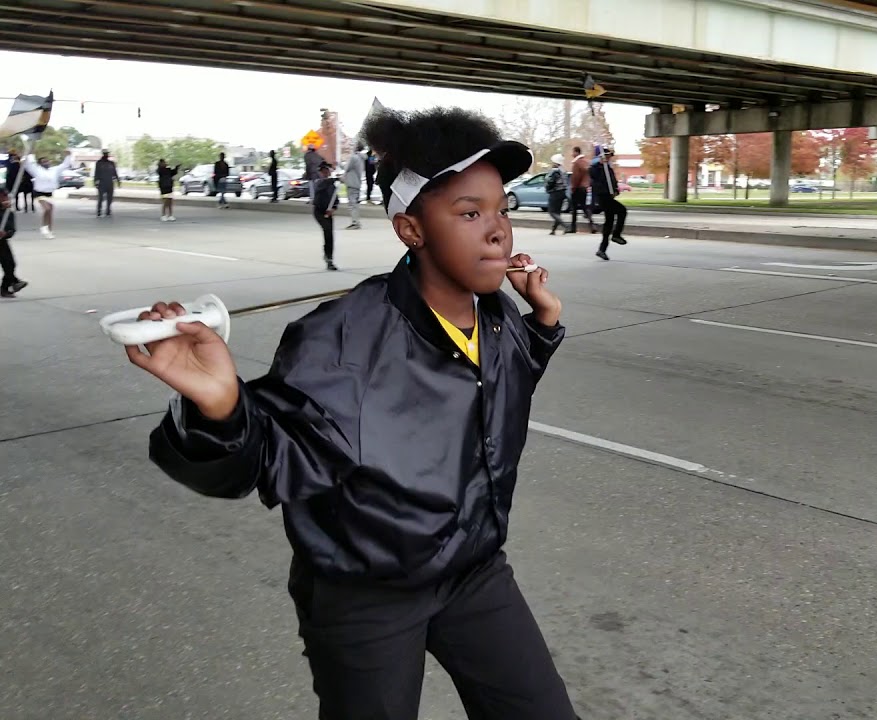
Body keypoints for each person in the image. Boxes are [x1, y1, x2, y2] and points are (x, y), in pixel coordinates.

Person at [127, 105, 576, 720]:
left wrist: (542, 324)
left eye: (501, 210)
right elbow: (263, 462)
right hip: (367, 592)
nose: (498, 231)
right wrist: (221, 407)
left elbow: (491, 394)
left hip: (473, 569)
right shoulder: (340, 342)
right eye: (470, 214)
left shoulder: (496, 316)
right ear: (411, 230)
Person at [22, 149, 73, 238]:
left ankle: (49, 230)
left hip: (49, 193)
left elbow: (65, 165)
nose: (46, 162)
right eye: (44, 162)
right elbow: (29, 164)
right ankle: (43, 227)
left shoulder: (54, 170)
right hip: (39, 192)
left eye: (47, 161)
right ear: (40, 163)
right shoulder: (37, 170)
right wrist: (29, 154)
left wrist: (68, 156)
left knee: (50, 211)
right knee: (47, 209)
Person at [590, 146, 627, 260]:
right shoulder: (595, 168)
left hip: (609, 196)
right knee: (622, 211)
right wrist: (601, 165)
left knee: (609, 222)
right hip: (602, 197)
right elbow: (597, 181)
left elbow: (612, 181)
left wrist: (615, 190)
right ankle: (616, 235)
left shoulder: (608, 168)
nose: (609, 158)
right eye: (607, 156)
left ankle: (602, 250)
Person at [310, 161, 340, 271]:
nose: (325, 173)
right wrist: (336, 179)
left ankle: (329, 259)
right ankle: (328, 257)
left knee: (330, 235)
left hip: (329, 212)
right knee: (327, 230)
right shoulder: (318, 182)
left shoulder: (332, 185)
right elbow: (321, 187)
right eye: (323, 171)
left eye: (326, 171)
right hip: (319, 212)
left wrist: (333, 208)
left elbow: (336, 199)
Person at [0, 187, 27, 298]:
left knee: (10, 264)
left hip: (1, 242)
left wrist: (6, 233)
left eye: (6, 196)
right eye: (2, 196)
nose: (5, 199)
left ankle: (6, 287)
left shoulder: (8, 213)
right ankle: (15, 282)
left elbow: (12, 229)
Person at [567, 145, 596, 234]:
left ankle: (573, 227)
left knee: (574, 208)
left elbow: (576, 177)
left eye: (573, 152)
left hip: (578, 188)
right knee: (584, 207)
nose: (572, 154)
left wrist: (573, 187)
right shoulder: (587, 162)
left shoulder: (577, 163)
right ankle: (592, 224)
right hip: (585, 187)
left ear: (576, 152)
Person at [342, 144, 365, 230]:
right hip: (357, 182)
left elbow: (346, 168)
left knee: (352, 203)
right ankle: (356, 221)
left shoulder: (353, 158)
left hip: (351, 182)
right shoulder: (361, 158)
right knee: (355, 203)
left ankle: (355, 222)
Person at [545, 153, 568, 235]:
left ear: (555, 162)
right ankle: (553, 230)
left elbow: (551, 182)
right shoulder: (563, 170)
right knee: (557, 212)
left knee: (551, 211)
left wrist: (548, 188)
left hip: (555, 192)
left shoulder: (555, 171)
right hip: (562, 192)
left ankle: (565, 226)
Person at [94, 150, 121, 217]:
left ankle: (108, 210)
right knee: (100, 198)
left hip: (110, 183)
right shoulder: (99, 163)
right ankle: (99, 211)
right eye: (105, 154)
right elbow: (96, 173)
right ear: (103, 154)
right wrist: (96, 182)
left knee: (110, 198)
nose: (106, 155)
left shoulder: (111, 163)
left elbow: (114, 173)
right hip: (102, 183)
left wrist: (118, 181)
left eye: (107, 154)